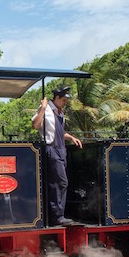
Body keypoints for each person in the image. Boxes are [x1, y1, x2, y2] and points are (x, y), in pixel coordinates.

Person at [31, 86, 83, 226]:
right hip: (51, 149)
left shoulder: (60, 113)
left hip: (61, 149)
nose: (65, 102)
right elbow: (35, 125)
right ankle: (57, 216)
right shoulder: (46, 109)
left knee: (60, 182)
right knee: (59, 182)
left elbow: (59, 132)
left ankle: (58, 214)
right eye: (64, 100)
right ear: (57, 98)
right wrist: (42, 108)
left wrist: (71, 137)